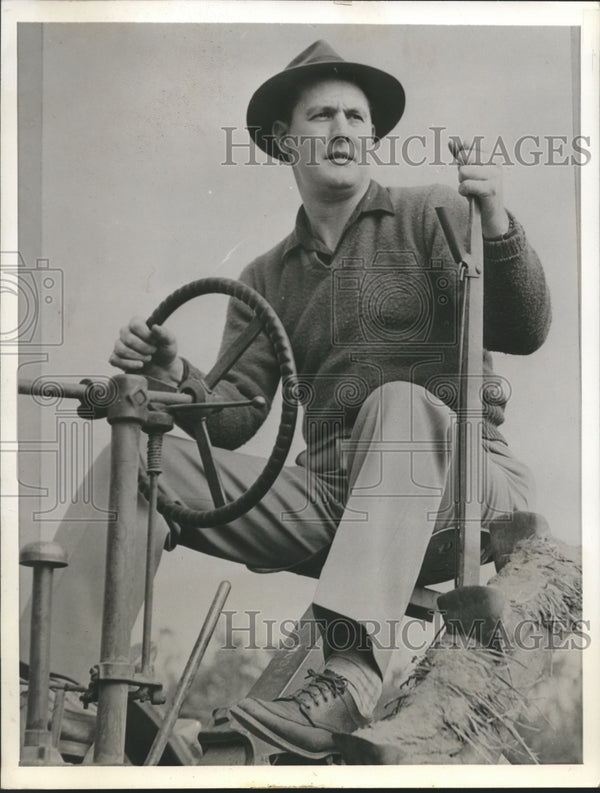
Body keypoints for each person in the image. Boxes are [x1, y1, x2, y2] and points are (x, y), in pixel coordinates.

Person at [20, 40, 551, 759]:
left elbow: (525, 328)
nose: (343, 129)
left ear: (373, 134)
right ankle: (54, 695)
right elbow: (236, 418)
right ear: (284, 139)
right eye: (323, 115)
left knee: (396, 403)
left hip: (464, 488)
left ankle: (350, 676)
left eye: (356, 117)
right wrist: (175, 373)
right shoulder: (265, 276)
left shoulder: (435, 212)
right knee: (141, 458)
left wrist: (496, 225)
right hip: (335, 498)